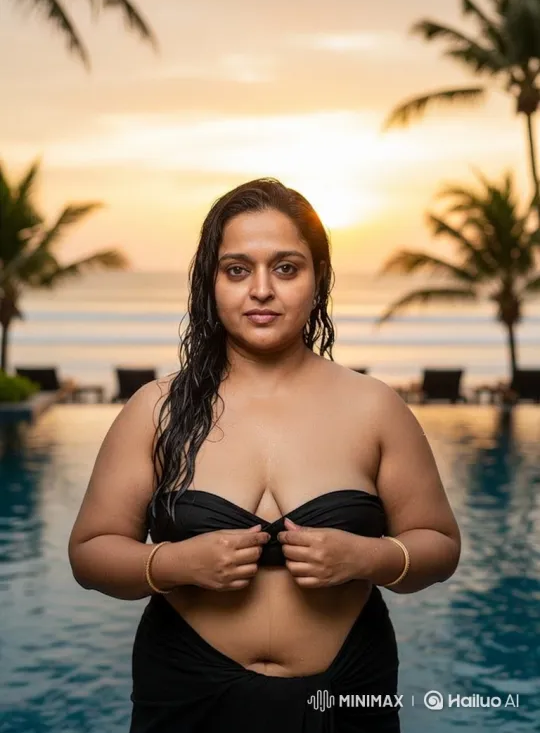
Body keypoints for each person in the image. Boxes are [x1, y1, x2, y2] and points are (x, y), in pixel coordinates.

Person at [68, 178, 461, 732]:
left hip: (347, 693)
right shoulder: (154, 409)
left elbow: (441, 545)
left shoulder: (375, 407)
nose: (260, 290)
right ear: (210, 282)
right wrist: (175, 564)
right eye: (236, 269)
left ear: (318, 278)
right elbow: (89, 553)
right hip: (186, 689)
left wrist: (367, 558)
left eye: (285, 268)